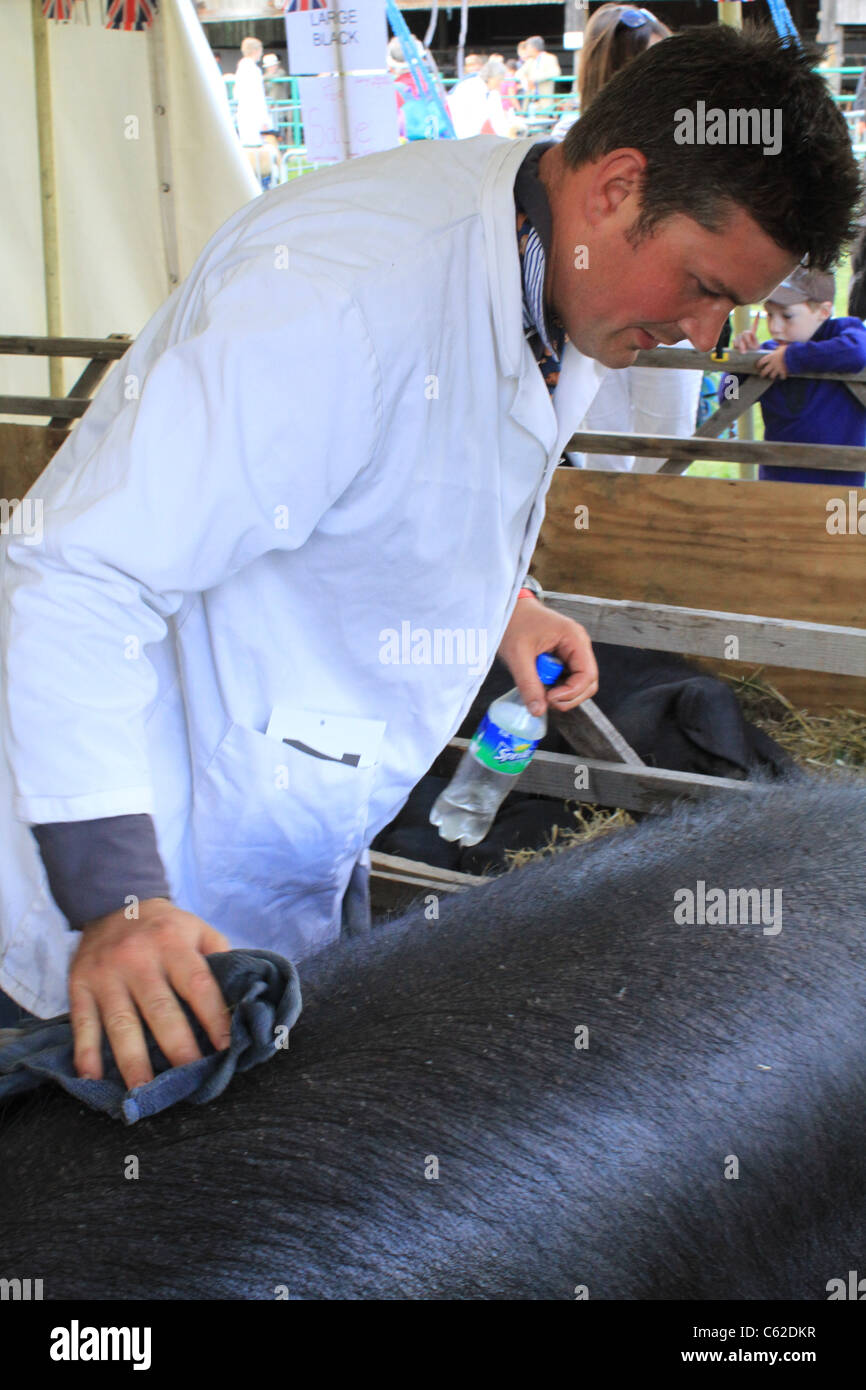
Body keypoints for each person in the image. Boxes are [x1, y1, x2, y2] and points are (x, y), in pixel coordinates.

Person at [0, 27, 859, 1086]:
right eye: (701, 285)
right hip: (135, 885)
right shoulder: (334, 300)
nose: (699, 330)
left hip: (289, 822)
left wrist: (501, 600)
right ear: (617, 186)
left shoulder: (550, 265)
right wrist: (114, 894)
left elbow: (407, 475)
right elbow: (76, 573)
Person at [561, 3, 703, 473]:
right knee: (610, 443)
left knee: (661, 440)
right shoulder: (576, 149)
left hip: (658, 310)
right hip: (602, 313)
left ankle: (646, 538)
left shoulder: (689, 147)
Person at [722, 264, 866, 485]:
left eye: (787, 316)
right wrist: (738, 367)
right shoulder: (768, 355)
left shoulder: (844, 335)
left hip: (839, 486)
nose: (775, 327)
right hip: (779, 484)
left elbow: (858, 352)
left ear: (823, 312)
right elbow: (728, 399)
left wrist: (792, 359)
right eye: (769, 315)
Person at [447, 60, 520, 140]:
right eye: (499, 80)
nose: (501, 83)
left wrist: (508, 138)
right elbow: (465, 120)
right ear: (491, 78)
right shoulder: (469, 87)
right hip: (459, 133)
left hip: (474, 135)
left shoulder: (493, 92)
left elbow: (498, 119)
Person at [521, 36, 562, 118]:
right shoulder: (530, 61)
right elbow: (519, 73)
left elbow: (556, 72)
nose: (526, 50)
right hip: (530, 100)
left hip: (544, 100)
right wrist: (525, 79)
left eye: (528, 47)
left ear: (534, 48)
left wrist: (536, 78)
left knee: (540, 127)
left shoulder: (550, 58)